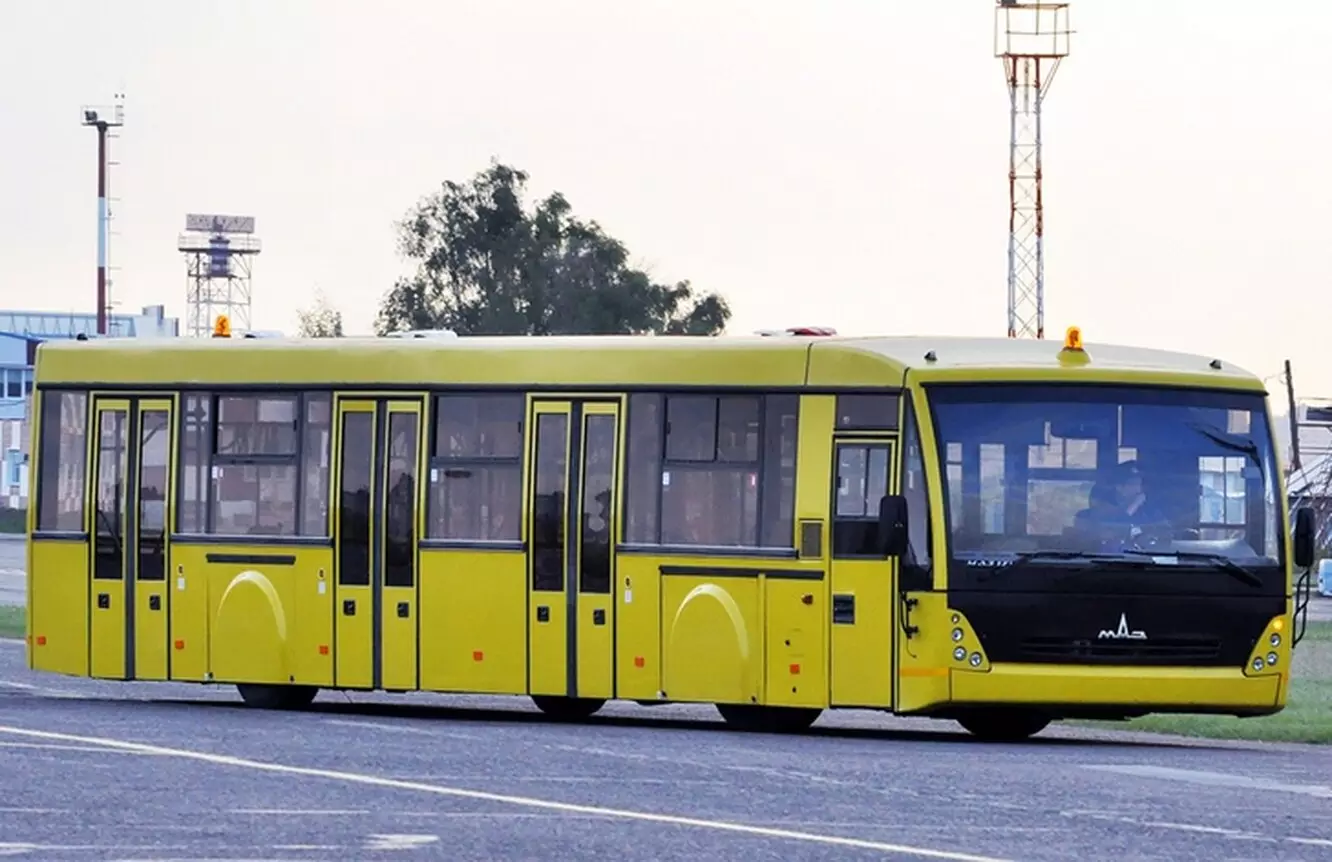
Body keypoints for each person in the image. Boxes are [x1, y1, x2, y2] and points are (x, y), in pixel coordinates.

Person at [1074, 460, 1169, 545]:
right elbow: (1113, 530)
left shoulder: (1150, 512)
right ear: (1119, 487)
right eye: (1133, 484)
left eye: (1140, 484)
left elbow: (1166, 535)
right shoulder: (1101, 511)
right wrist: (1133, 506)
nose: (1139, 489)